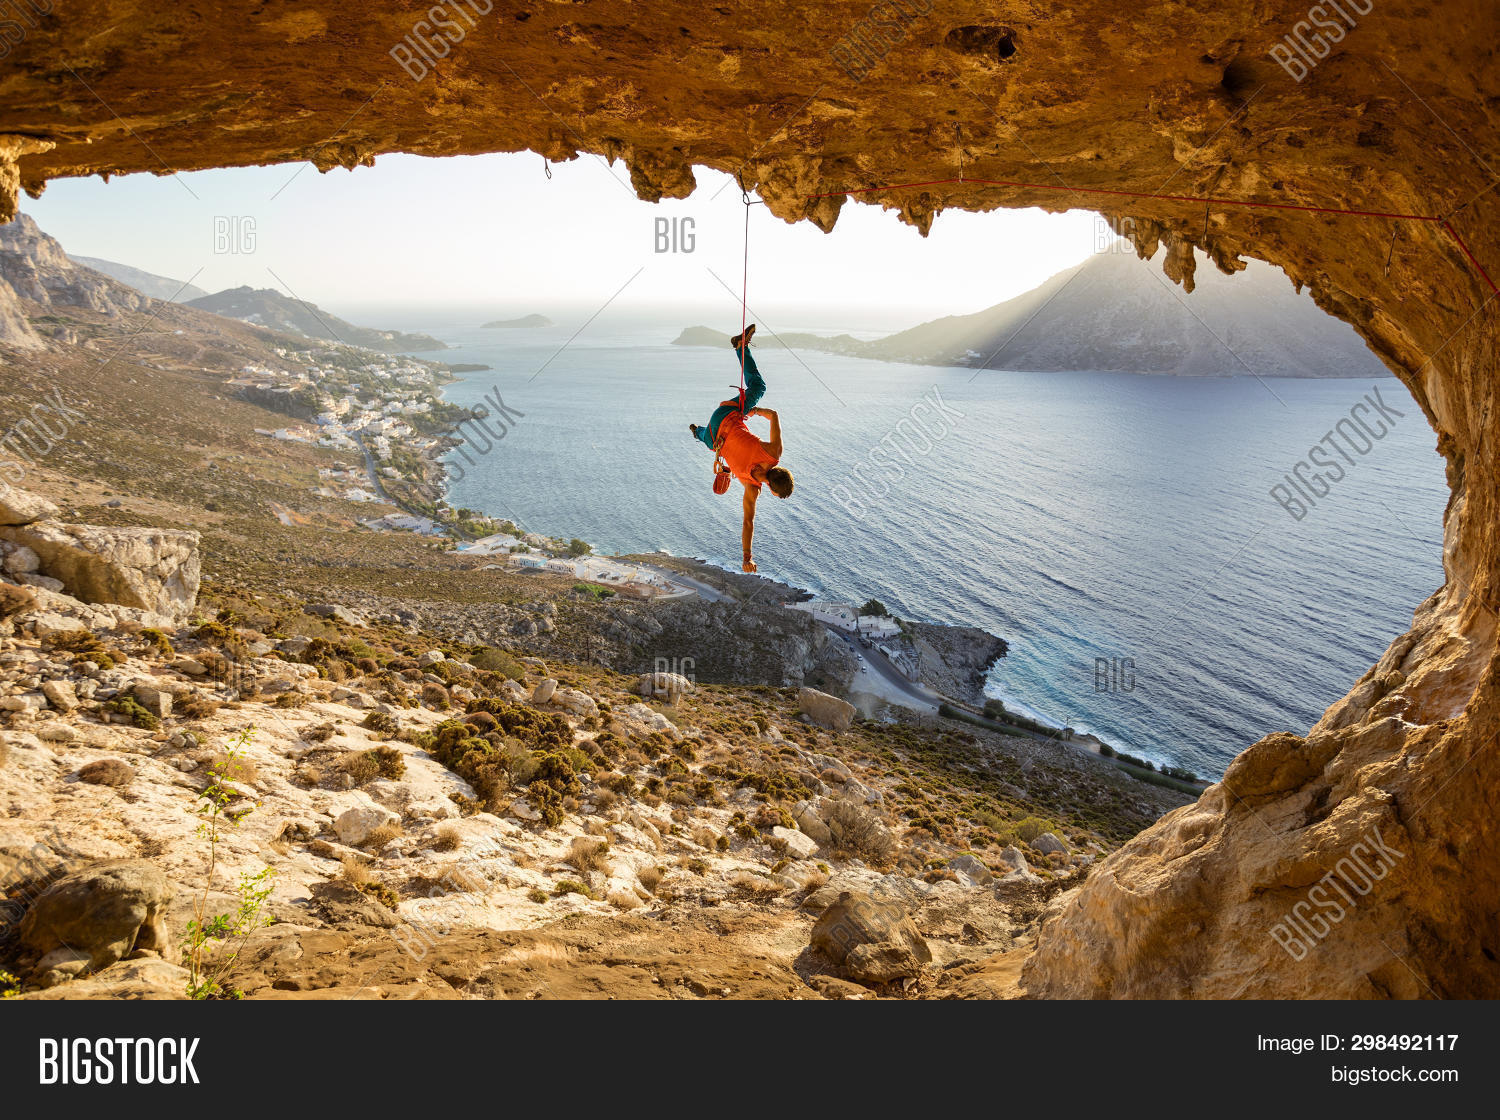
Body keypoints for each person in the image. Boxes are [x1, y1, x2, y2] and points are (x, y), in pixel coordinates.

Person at [688, 324, 794, 572]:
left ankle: (740, 347)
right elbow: (748, 523)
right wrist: (747, 558)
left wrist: (753, 411)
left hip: (725, 415)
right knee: (707, 440)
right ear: (771, 488)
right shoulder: (752, 488)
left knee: (759, 388)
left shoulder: (774, 453)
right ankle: (696, 431)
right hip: (714, 437)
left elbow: (773, 415)